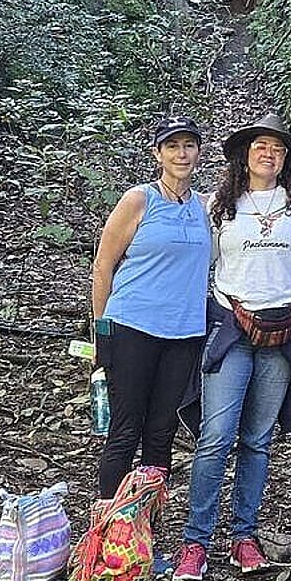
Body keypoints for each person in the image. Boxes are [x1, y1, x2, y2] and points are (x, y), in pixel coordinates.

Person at [173, 113, 291, 581]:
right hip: (231, 326)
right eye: (259, 147)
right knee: (216, 438)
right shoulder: (220, 205)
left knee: (257, 440)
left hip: (281, 330)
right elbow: (198, 262)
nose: (268, 154)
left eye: (276, 147)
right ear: (244, 156)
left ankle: (245, 536)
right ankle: (195, 542)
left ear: (287, 157)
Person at [90, 115, 211, 501]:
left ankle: (142, 536)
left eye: (188, 145)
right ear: (158, 153)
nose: (181, 153)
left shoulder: (205, 207)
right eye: (173, 146)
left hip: (184, 334)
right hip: (132, 327)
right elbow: (104, 264)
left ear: (198, 153)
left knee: (160, 434)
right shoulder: (140, 199)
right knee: (125, 429)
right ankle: (107, 534)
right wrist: (101, 331)